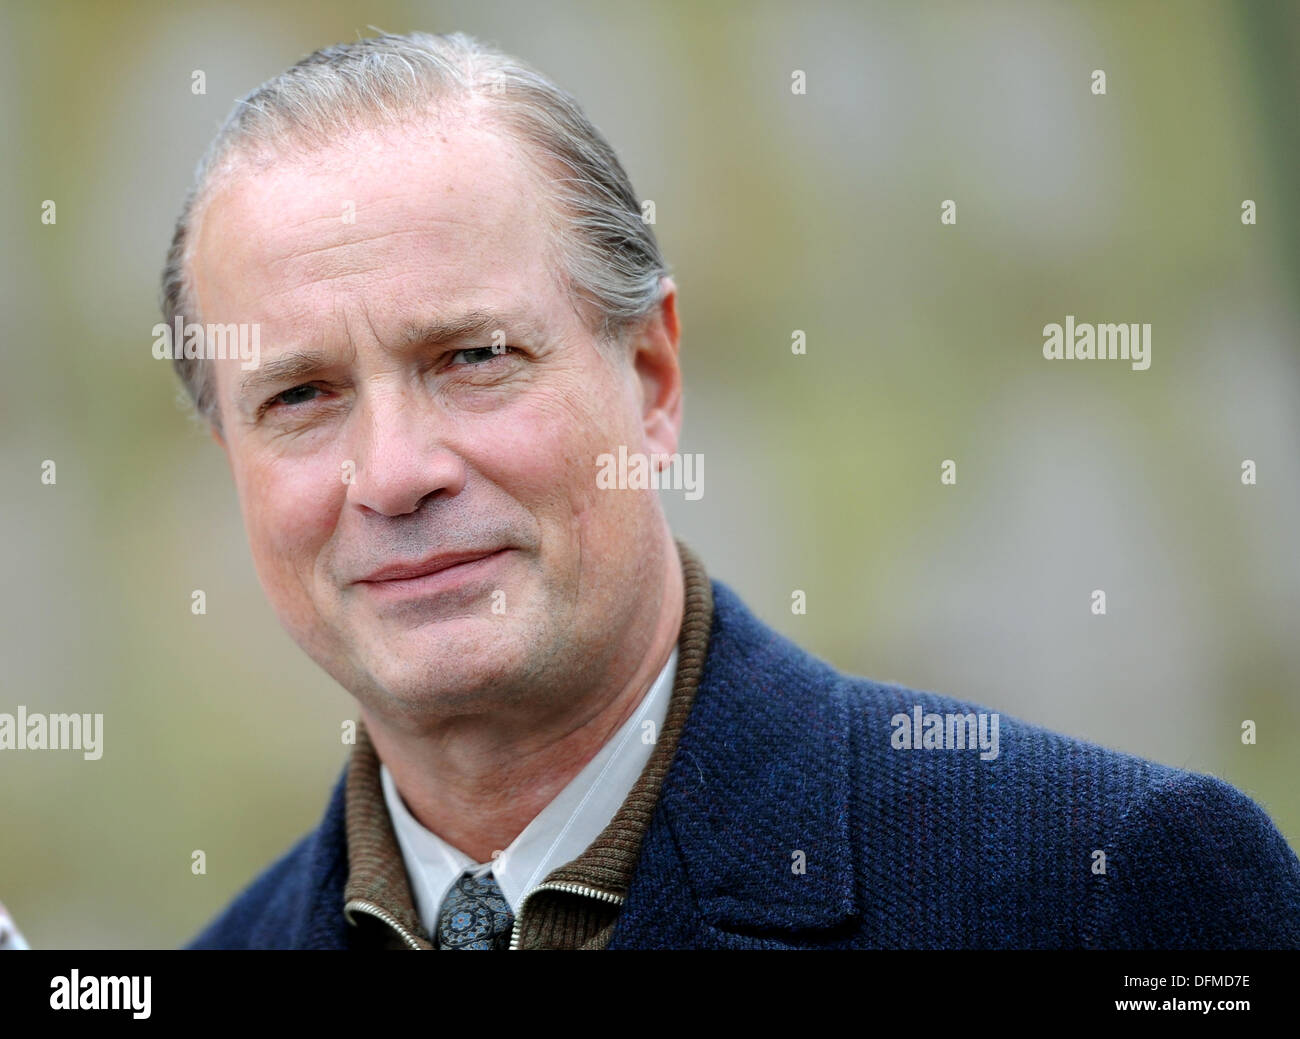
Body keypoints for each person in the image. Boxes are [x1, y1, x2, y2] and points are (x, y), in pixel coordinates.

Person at [162, 31, 1300, 950]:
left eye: (473, 357)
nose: (397, 472)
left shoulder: (1101, 890)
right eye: (302, 396)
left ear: (651, 379)